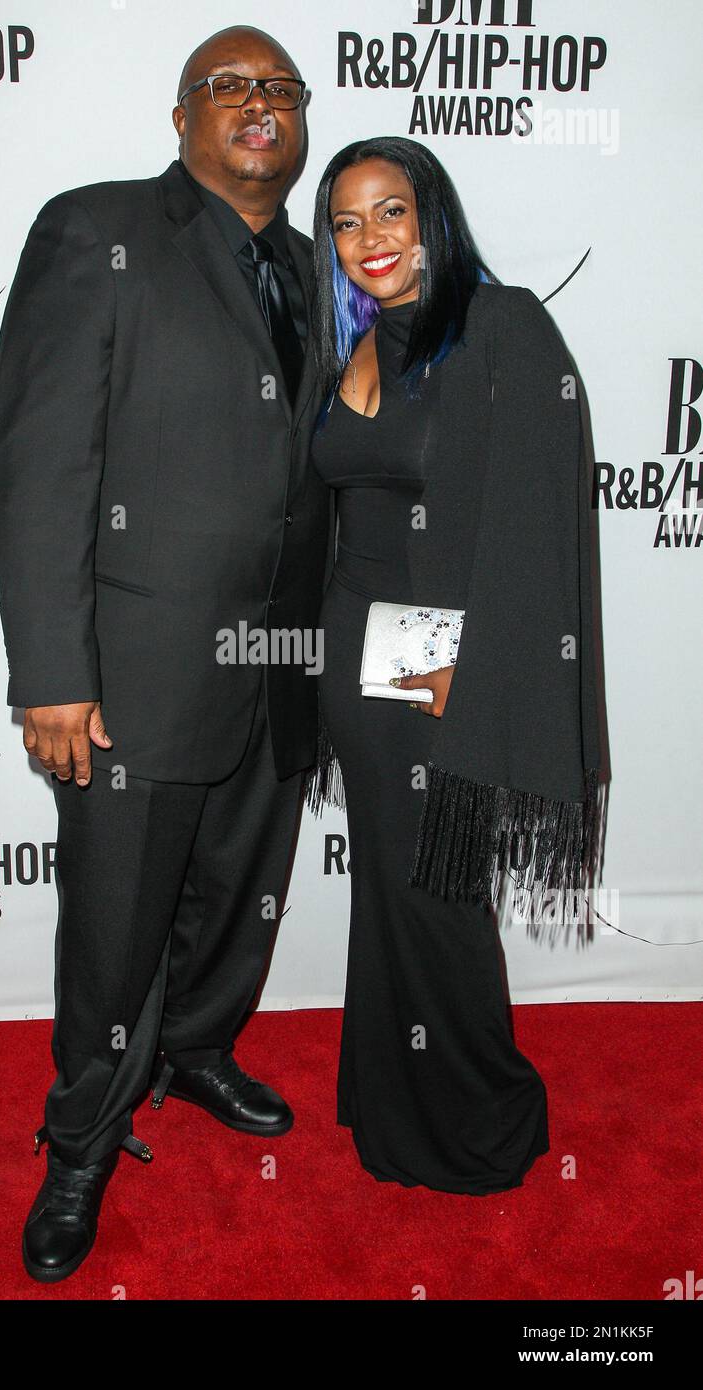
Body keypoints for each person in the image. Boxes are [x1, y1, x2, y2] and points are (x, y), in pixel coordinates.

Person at [0, 26, 332, 1281]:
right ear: (181, 116)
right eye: (231, 87)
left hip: (278, 670)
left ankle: (192, 1049)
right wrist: (51, 672)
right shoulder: (99, 231)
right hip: (132, 675)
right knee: (117, 924)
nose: (260, 106)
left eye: (281, 91)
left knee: (239, 899)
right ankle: (79, 1137)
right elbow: (39, 463)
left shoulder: (317, 266)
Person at [305, 136, 605, 1194]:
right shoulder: (350, 341)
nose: (369, 240)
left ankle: (475, 1114)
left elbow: (535, 517)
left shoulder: (501, 324)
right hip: (352, 645)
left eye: (389, 212)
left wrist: (476, 669)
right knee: (392, 880)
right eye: (344, 221)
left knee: (435, 884)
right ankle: (388, 1095)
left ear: (431, 216)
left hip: (441, 650)